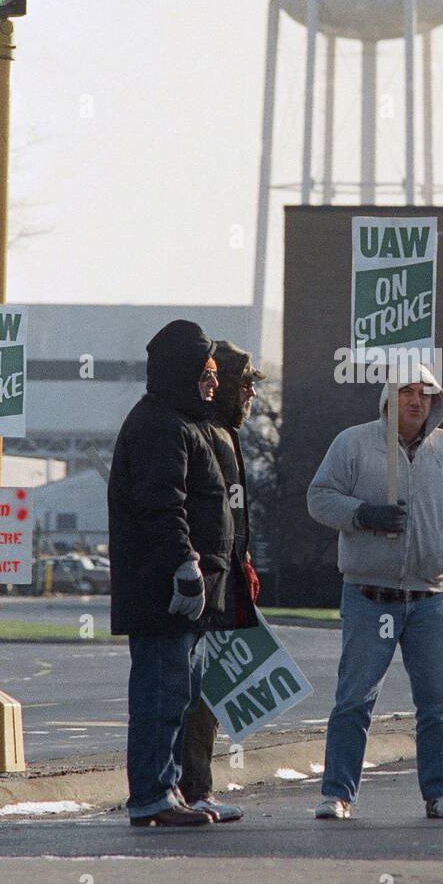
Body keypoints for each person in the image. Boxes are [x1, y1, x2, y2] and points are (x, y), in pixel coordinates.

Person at [307, 363, 443, 820]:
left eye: (425, 394)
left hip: (430, 596)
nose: (416, 401)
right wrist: (363, 514)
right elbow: (319, 497)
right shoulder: (352, 443)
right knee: (354, 700)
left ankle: (440, 792)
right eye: (407, 392)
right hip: (369, 596)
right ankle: (337, 794)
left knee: (436, 703)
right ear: (388, 398)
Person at [108, 319, 240, 828]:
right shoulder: (160, 427)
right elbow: (163, 507)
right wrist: (185, 566)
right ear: (181, 373)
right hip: (165, 595)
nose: (214, 382)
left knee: (180, 700)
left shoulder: (185, 423)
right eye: (205, 372)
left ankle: (176, 792)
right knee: (162, 699)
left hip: (190, 598)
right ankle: (152, 795)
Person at [180, 341, 265, 822]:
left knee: (205, 692)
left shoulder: (224, 434)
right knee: (195, 694)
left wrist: (242, 561)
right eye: (246, 383)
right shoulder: (205, 433)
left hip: (223, 580)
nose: (251, 394)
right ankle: (193, 789)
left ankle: (195, 787)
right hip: (205, 585)